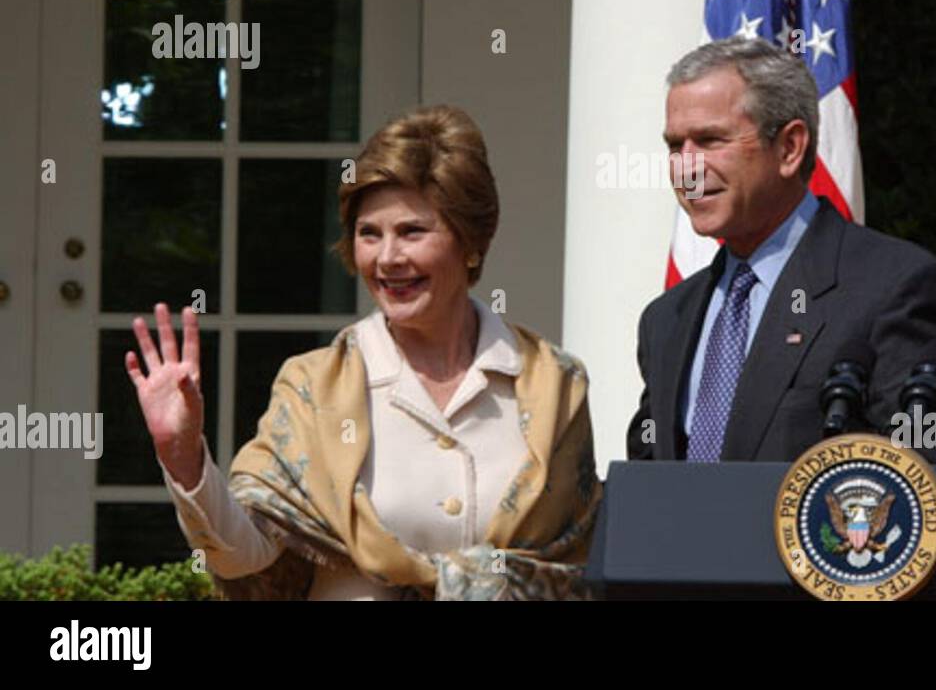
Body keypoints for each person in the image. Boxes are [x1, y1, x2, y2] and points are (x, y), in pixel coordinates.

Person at [128, 105, 600, 600]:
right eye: (369, 233)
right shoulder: (313, 386)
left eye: (412, 231)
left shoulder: (554, 384)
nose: (388, 258)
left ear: (471, 243)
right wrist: (183, 458)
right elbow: (248, 555)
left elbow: (571, 569)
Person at [627, 37, 936, 463]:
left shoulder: (899, 289)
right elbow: (647, 486)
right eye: (675, 146)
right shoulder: (667, 318)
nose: (686, 168)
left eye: (710, 141)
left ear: (789, 147)